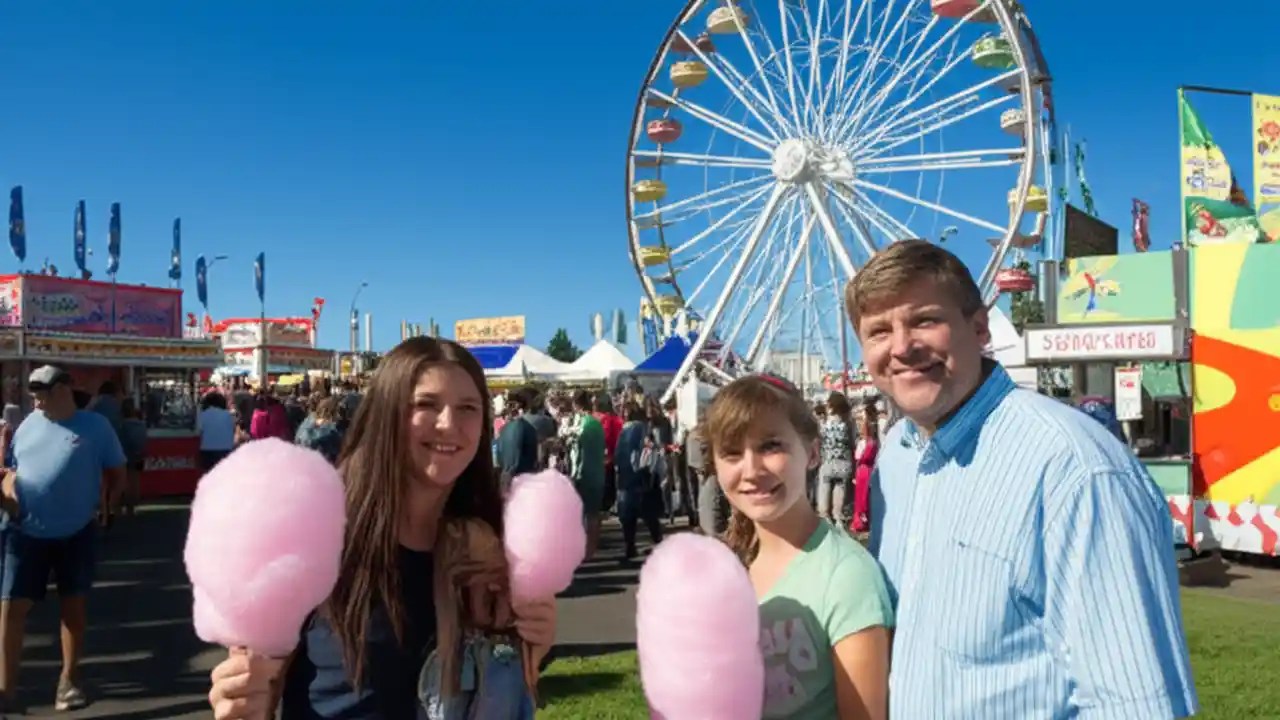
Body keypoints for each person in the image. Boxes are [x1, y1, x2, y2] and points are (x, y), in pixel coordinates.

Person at [850, 240, 1197, 718]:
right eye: (878, 331)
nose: (902, 347)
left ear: (979, 328)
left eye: (925, 320)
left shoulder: (1075, 469)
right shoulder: (898, 457)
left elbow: (1133, 703)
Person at [207, 336, 557, 720]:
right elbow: (258, 681)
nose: (449, 424)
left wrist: (532, 645)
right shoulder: (313, 532)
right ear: (386, 414)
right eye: (425, 404)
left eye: (468, 408)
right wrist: (243, 699)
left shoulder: (487, 548)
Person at [702, 375, 891, 719]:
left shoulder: (847, 577)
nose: (751, 470)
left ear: (813, 452)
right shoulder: (730, 569)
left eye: (770, 446)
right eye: (731, 452)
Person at [0, 366, 127, 713]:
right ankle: (5, 692)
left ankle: (68, 682)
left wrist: (110, 505)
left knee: (73, 609)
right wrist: (8, 488)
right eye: (35, 397)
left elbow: (117, 470)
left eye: (43, 396)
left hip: (76, 532)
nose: (38, 403)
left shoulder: (95, 428)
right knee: (11, 608)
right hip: (24, 532)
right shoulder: (27, 424)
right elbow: (12, 469)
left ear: (64, 390)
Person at [614, 403, 663, 561]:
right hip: (638, 475)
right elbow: (645, 450)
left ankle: (630, 545)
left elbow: (622, 454)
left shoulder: (627, 430)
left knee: (629, 514)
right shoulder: (639, 428)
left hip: (627, 475)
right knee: (647, 511)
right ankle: (658, 543)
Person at [567, 391, 605, 560]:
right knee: (592, 513)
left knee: (589, 515)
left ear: (577, 405)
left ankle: (588, 550)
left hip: (587, 473)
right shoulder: (594, 423)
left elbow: (578, 446)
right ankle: (590, 548)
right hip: (596, 471)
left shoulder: (587, 424)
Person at [816, 392, 855, 525]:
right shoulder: (847, 423)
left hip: (827, 461)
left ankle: (825, 515)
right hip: (843, 461)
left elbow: (819, 440)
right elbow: (852, 441)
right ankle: (838, 517)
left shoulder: (824, 424)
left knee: (824, 487)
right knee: (840, 487)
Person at [849, 403, 879, 534]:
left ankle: (862, 520)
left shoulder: (870, 443)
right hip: (863, 470)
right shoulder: (867, 442)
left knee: (863, 497)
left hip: (864, 471)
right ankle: (861, 519)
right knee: (862, 497)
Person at [294, 396, 345, 465]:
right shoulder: (330, 429)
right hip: (319, 465)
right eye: (338, 410)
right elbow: (336, 450)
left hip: (301, 461)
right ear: (333, 411)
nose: (339, 414)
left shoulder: (309, 419)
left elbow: (297, 438)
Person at [119, 399, 149, 517]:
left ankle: (125, 506)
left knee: (124, 482)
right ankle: (133, 506)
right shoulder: (141, 425)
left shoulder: (121, 426)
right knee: (135, 481)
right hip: (138, 456)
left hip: (124, 456)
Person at [198, 392, 237, 472]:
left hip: (207, 450)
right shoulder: (228, 415)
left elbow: (199, 432)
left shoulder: (202, 415)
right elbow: (233, 430)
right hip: (226, 449)